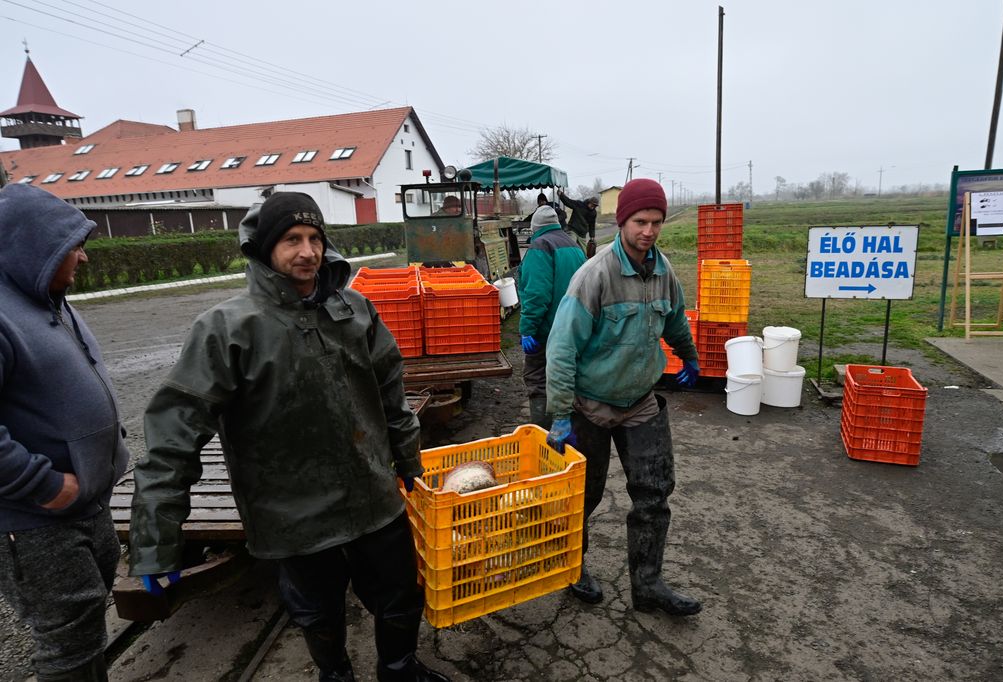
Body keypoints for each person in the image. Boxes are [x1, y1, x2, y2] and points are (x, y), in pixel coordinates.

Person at [128, 192, 448, 682]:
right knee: (317, 612)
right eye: (291, 239)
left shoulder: (355, 310)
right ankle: (335, 675)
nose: (308, 252)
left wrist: (410, 467)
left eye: (315, 238)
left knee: (400, 594)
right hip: (291, 514)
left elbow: (392, 398)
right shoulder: (227, 329)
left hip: (372, 498)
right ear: (263, 249)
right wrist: (156, 539)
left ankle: (399, 668)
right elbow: (173, 438)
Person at [544, 178, 702, 617]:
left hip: (640, 402)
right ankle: (572, 568)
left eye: (656, 222)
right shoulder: (593, 276)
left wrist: (689, 357)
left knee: (654, 495)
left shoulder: (664, 270)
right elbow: (561, 349)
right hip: (588, 406)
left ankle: (648, 584)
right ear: (622, 222)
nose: (648, 231)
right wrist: (559, 414)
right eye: (639, 221)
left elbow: (674, 320)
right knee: (582, 497)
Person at [0, 184, 129, 682]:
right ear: (34, 247)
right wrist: (44, 486)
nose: (84, 256)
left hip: (87, 506)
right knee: (67, 647)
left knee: (87, 629)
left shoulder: (50, 300)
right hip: (35, 522)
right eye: (72, 245)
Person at [518, 205, 586, 429]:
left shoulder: (540, 246)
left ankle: (543, 432)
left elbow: (537, 294)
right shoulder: (574, 246)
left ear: (535, 228)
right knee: (569, 378)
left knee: (539, 380)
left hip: (547, 333)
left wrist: (528, 329)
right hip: (575, 330)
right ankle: (572, 428)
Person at [557, 189, 600, 256]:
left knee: (584, 253)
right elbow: (568, 202)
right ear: (589, 202)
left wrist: (592, 236)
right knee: (571, 245)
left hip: (582, 234)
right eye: (592, 205)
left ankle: (583, 264)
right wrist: (561, 195)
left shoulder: (593, 213)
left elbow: (592, 225)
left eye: (595, 206)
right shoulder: (579, 204)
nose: (593, 207)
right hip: (572, 230)